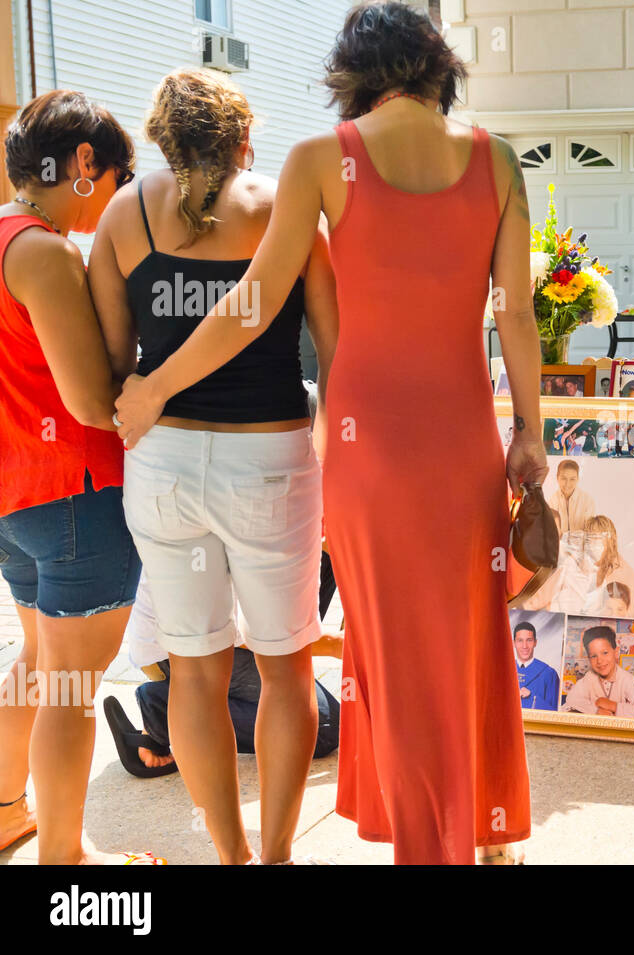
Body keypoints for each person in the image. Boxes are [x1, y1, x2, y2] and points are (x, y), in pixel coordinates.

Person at [110, 2, 542, 865]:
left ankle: (422, 838)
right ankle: (478, 830)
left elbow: (255, 302)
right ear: (435, 69)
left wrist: (155, 384)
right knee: (467, 633)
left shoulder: (321, 160)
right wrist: (530, 431)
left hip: (367, 438)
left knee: (386, 639)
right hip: (464, 434)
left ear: (352, 75)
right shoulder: (495, 159)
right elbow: (517, 313)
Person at [87, 68, 335, 866]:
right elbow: (338, 344)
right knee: (285, 670)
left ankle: (228, 856)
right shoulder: (280, 206)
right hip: (268, 459)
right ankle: (276, 856)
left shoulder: (124, 214)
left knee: (193, 671)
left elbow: (112, 358)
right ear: (241, 137)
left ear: (164, 138)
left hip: (163, 464)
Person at [0, 90, 160, 865]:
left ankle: (6, 812)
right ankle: (64, 861)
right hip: (74, 495)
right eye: (121, 179)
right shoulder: (45, 249)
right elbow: (92, 400)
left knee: (38, 664)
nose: (122, 202)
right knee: (71, 685)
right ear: (85, 164)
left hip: (15, 495)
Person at [104, 575, 341, 779]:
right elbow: (252, 631)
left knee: (324, 553)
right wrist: (332, 645)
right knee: (322, 727)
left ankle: (182, 700)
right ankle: (165, 706)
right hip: (193, 649)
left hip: (214, 636)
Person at [562, 626, 634, 717]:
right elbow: (571, 699)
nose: (599, 661)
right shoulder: (589, 678)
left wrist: (614, 706)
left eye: (605, 653)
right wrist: (595, 711)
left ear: (616, 652)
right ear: (589, 658)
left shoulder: (627, 679)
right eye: (594, 656)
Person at [513, 621, 559, 712]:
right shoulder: (503, 672)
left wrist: (532, 697)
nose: (524, 646)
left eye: (529, 640)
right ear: (514, 643)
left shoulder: (549, 674)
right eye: (520, 640)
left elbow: (554, 715)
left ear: (535, 642)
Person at [548, 459, 595, 535]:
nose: (567, 484)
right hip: (560, 546)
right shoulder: (552, 502)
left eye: (572, 479)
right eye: (564, 478)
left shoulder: (587, 501)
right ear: (557, 478)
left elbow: (590, 533)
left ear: (578, 479)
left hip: (581, 546)